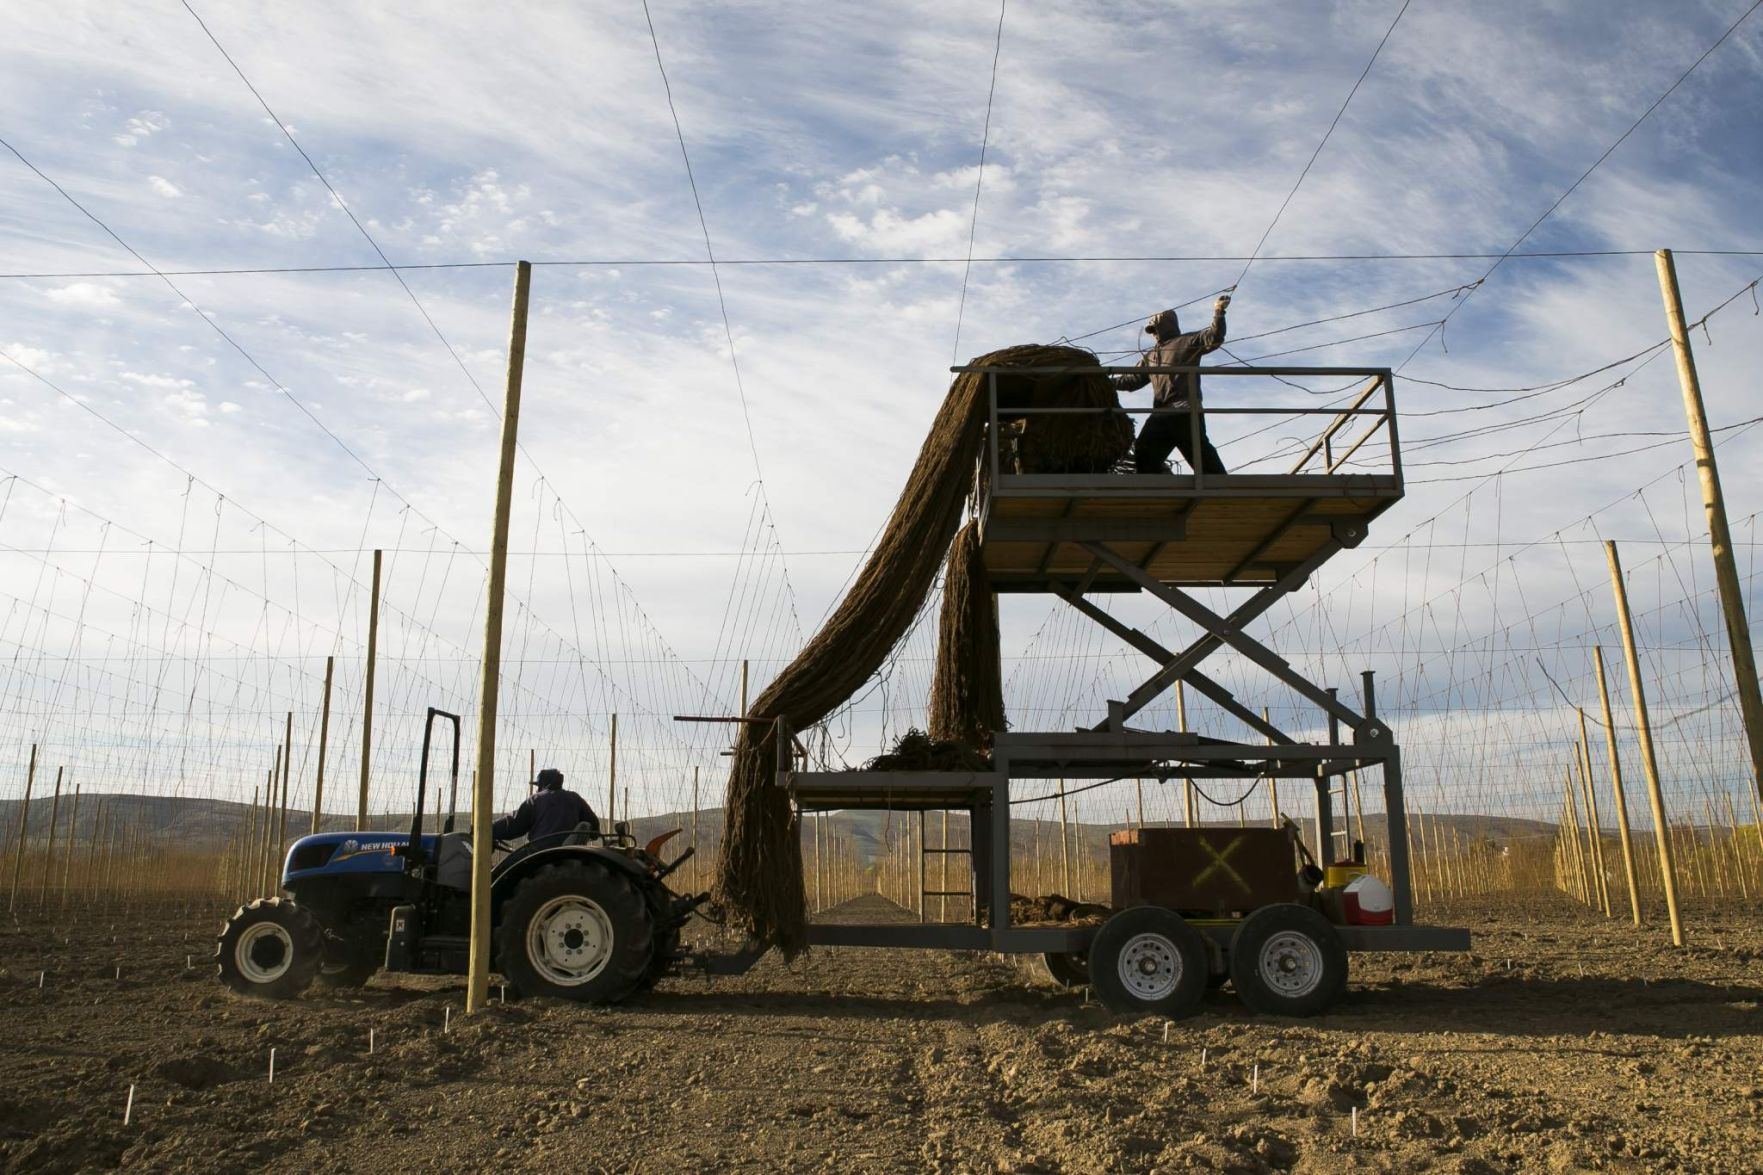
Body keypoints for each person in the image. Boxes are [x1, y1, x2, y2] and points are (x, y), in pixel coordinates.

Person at [1112, 294, 1232, 475]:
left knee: (1199, 452)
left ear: (1167, 326)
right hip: (1161, 413)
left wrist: (1218, 312)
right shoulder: (1151, 356)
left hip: (1185, 409)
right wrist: (1104, 381)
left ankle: (1222, 486)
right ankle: (1153, 488)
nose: (1154, 334)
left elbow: (1214, 337)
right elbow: (1132, 380)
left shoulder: (1188, 341)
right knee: (1144, 450)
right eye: (1151, 330)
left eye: (1155, 329)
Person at [492, 767, 600, 844]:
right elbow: (594, 825)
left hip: (541, 852)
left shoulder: (536, 800)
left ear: (542, 784)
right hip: (570, 852)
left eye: (538, 786)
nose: (537, 789)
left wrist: (491, 829)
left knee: (508, 871)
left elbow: (515, 823)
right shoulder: (575, 798)